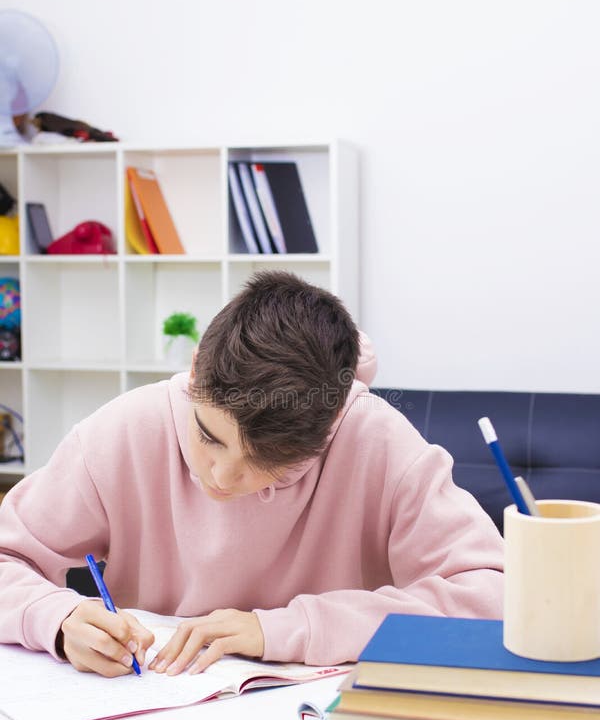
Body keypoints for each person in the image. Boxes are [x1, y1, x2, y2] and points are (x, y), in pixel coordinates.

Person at [0, 271, 504, 681]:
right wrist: (57, 619)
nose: (220, 476)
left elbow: (492, 595)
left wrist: (287, 628)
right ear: (196, 370)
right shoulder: (124, 431)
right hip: (152, 711)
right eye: (208, 436)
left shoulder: (378, 441)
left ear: (327, 430)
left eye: (269, 463)